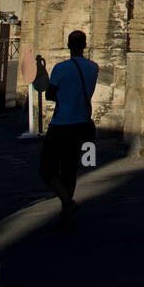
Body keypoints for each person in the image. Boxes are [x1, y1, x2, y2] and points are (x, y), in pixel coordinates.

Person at [36, 30, 98, 225]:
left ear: (68, 45)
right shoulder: (93, 67)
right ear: (85, 45)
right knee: (70, 170)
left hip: (62, 124)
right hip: (84, 123)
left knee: (47, 169)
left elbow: (50, 94)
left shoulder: (61, 68)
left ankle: (67, 201)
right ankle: (65, 212)